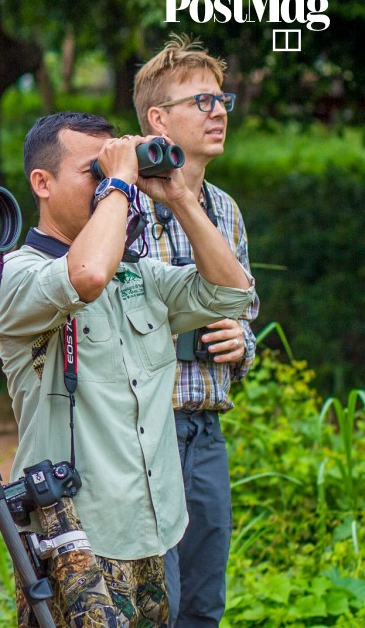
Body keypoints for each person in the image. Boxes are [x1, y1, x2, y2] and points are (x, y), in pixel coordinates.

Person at [0, 112, 256, 625]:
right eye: (93, 171)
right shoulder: (14, 275)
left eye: (112, 170)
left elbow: (231, 292)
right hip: (74, 534)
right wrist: (117, 182)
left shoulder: (139, 275)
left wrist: (178, 196)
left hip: (152, 529)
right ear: (41, 184)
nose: (107, 185)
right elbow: (86, 274)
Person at [132, 35, 258, 627]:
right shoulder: (121, 203)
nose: (218, 112)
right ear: (158, 119)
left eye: (221, 100)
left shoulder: (227, 209)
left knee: (205, 605)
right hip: (142, 431)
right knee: (160, 602)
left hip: (206, 430)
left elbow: (245, 314)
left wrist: (242, 342)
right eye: (201, 101)